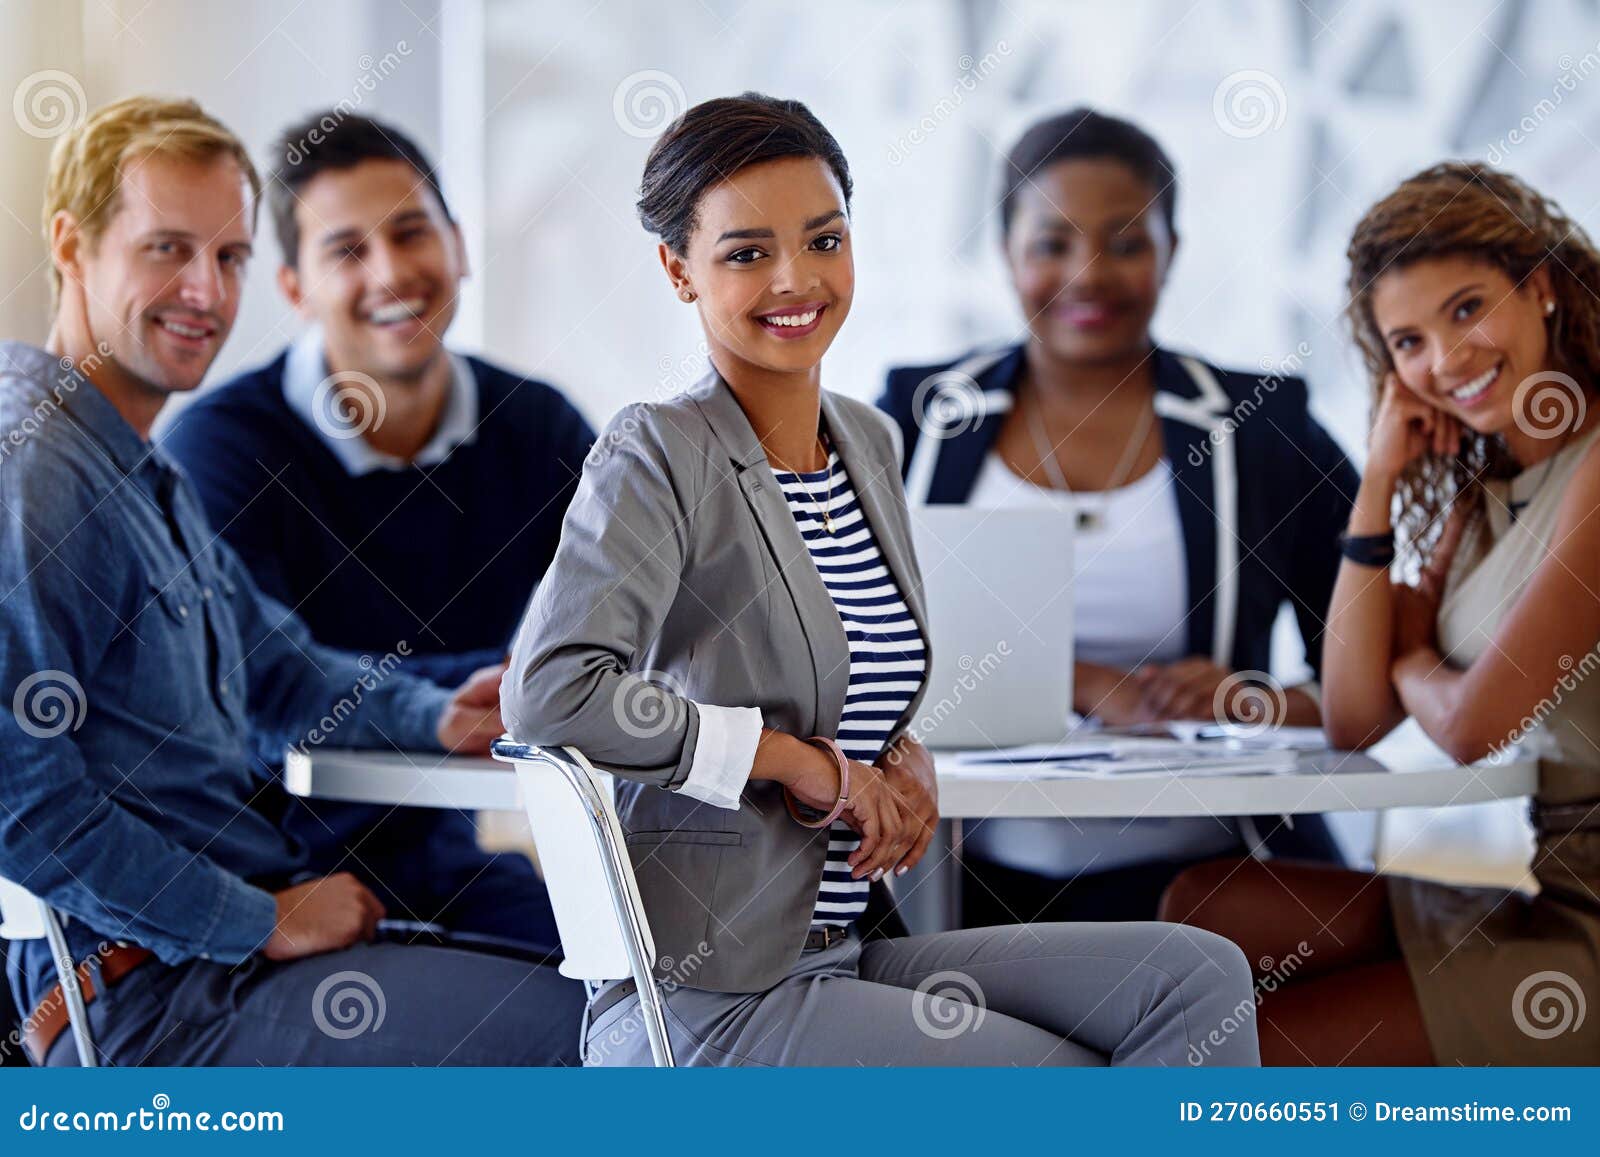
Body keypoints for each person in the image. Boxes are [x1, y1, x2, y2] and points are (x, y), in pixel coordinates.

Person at [502, 92, 1259, 1067]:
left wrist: (901, 756)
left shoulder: (867, 441)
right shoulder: (656, 452)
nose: (795, 278)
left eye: (823, 240)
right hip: (711, 992)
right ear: (678, 270)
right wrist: (799, 762)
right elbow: (554, 693)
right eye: (746, 253)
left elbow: (839, 674)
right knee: (1071, 1083)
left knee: (1193, 977)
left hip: (845, 947)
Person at [0, 95, 582, 1066]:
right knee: (600, 1043)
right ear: (70, 245)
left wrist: (439, 714)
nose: (206, 291)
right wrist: (255, 918)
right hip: (155, 997)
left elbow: (279, 672)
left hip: (223, 964)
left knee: (616, 1001)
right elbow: (14, 792)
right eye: (167, 250)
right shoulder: (33, 465)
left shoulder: (138, 469)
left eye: (228, 258)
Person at [1161, 162, 1600, 1065]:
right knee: (1205, 907)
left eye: (1468, 309)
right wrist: (1379, 483)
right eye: (1409, 341)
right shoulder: (1484, 495)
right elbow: (1357, 718)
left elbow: (1471, 726)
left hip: (1587, 934)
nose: (1447, 359)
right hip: (1553, 893)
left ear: (1542, 288)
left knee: (1243, 1048)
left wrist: (1415, 666)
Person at [878, 108, 1358, 923]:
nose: (1088, 275)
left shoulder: (1263, 427)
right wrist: (1083, 683)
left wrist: (1254, 702)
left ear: (1173, 251)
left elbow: (1364, 680)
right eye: (1051, 244)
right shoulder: (915, 419)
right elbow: (840, 649)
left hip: (1218, 881)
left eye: (1127, 242)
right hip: (959, 884)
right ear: (1005, 251)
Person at [160, 112, 595, 955]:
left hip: (440, 858)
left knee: (623, 984)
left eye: (410, 232)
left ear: (459, 246)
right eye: (348, 250)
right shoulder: (219, 451)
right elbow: (255, 693)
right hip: (275, 886)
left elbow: (654, 601)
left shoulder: (536, 427)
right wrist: (492, 690)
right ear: (296, 288)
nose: (391, 271)